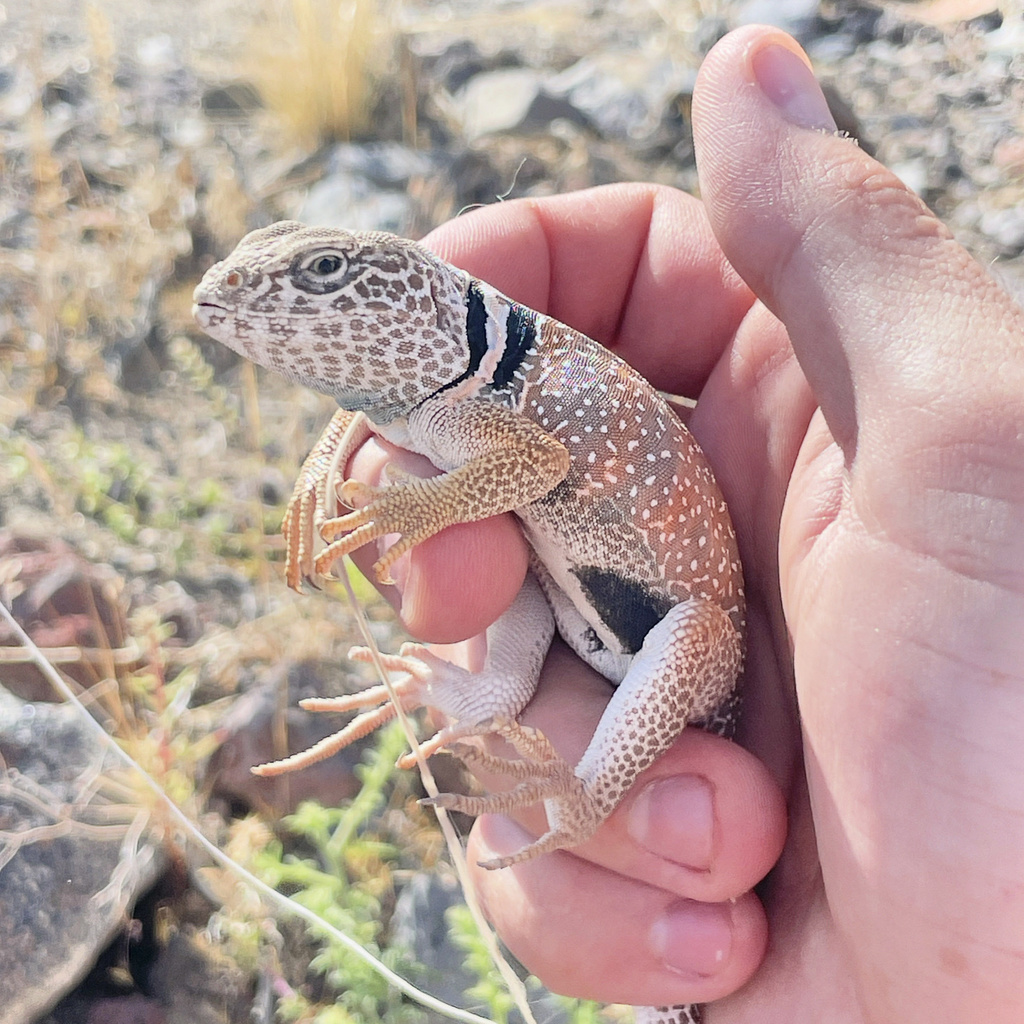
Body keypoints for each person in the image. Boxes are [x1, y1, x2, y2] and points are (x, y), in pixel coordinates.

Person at [346, 25, 1024, 1022]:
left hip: (685, 624)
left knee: (604, 713)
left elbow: (529, 461)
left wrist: (418, 500)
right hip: (594, 596)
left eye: (323, 275)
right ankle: (480, 692)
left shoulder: (505, 382)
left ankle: (576, 794)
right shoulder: (447, 394)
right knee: (515, 595)